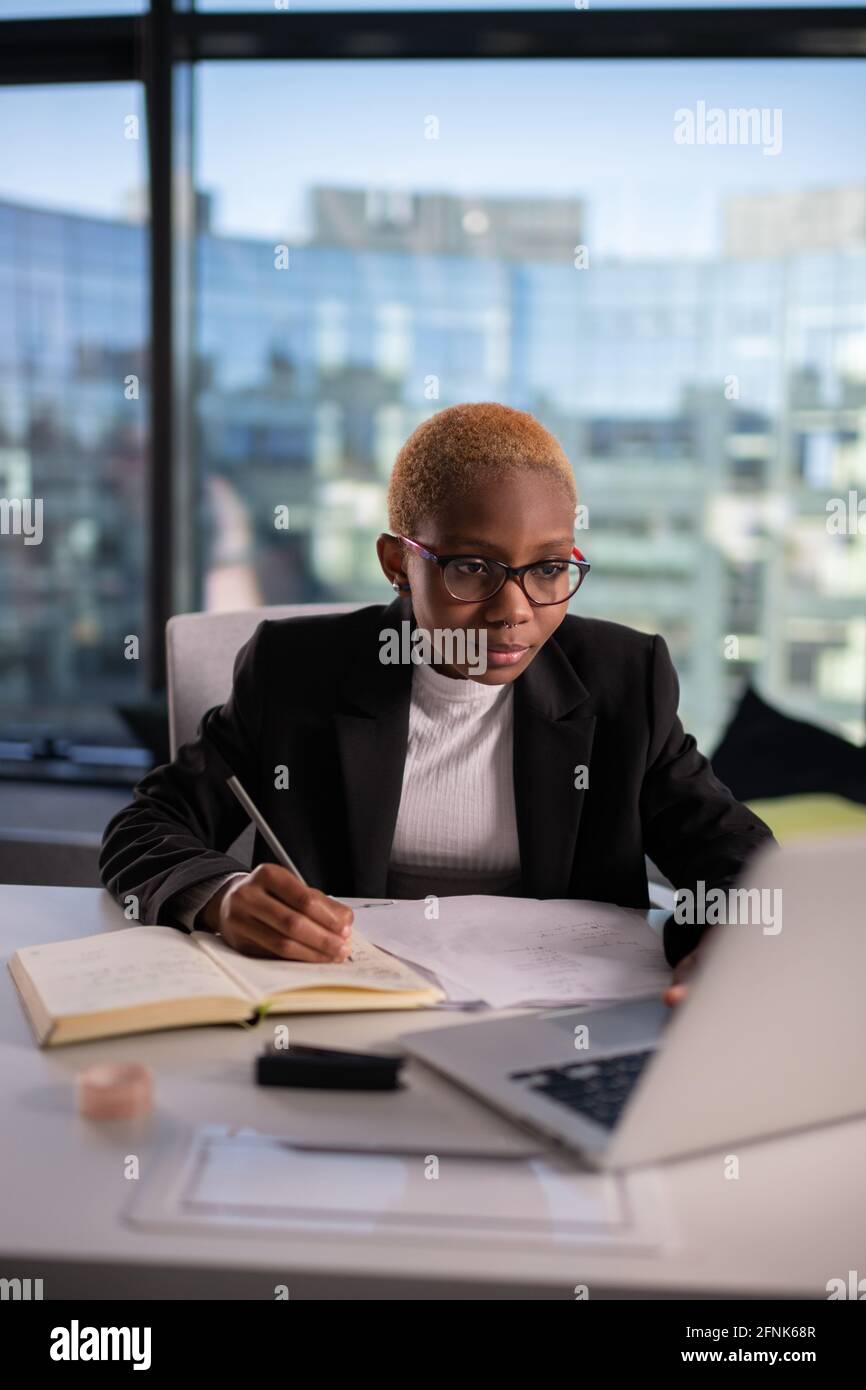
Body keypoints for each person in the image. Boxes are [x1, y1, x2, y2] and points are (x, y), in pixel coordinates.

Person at [99, 402, 774, 1004]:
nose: (514, 612)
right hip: (350, 1014)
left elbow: (736, 860)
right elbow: (146, 827)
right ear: (399, 562)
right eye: (471, 568)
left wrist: (723, 943)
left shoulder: (624, 678)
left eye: (547, 569)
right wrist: (221, 897)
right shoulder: (295, 673)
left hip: (561, 1021)